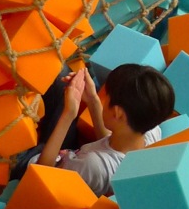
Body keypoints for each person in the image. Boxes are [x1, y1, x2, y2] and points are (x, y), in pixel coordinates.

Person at [35, 62, 175, 196]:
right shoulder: (152, 132)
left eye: (105, 97)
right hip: (69, 153)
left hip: (42, 163)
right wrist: (92, 100)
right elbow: (110, 145)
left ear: (117, 113)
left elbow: (42, 176)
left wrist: (68, 115)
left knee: (20, 148)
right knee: (57, 69)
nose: (102, 100)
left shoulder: (92, 166)